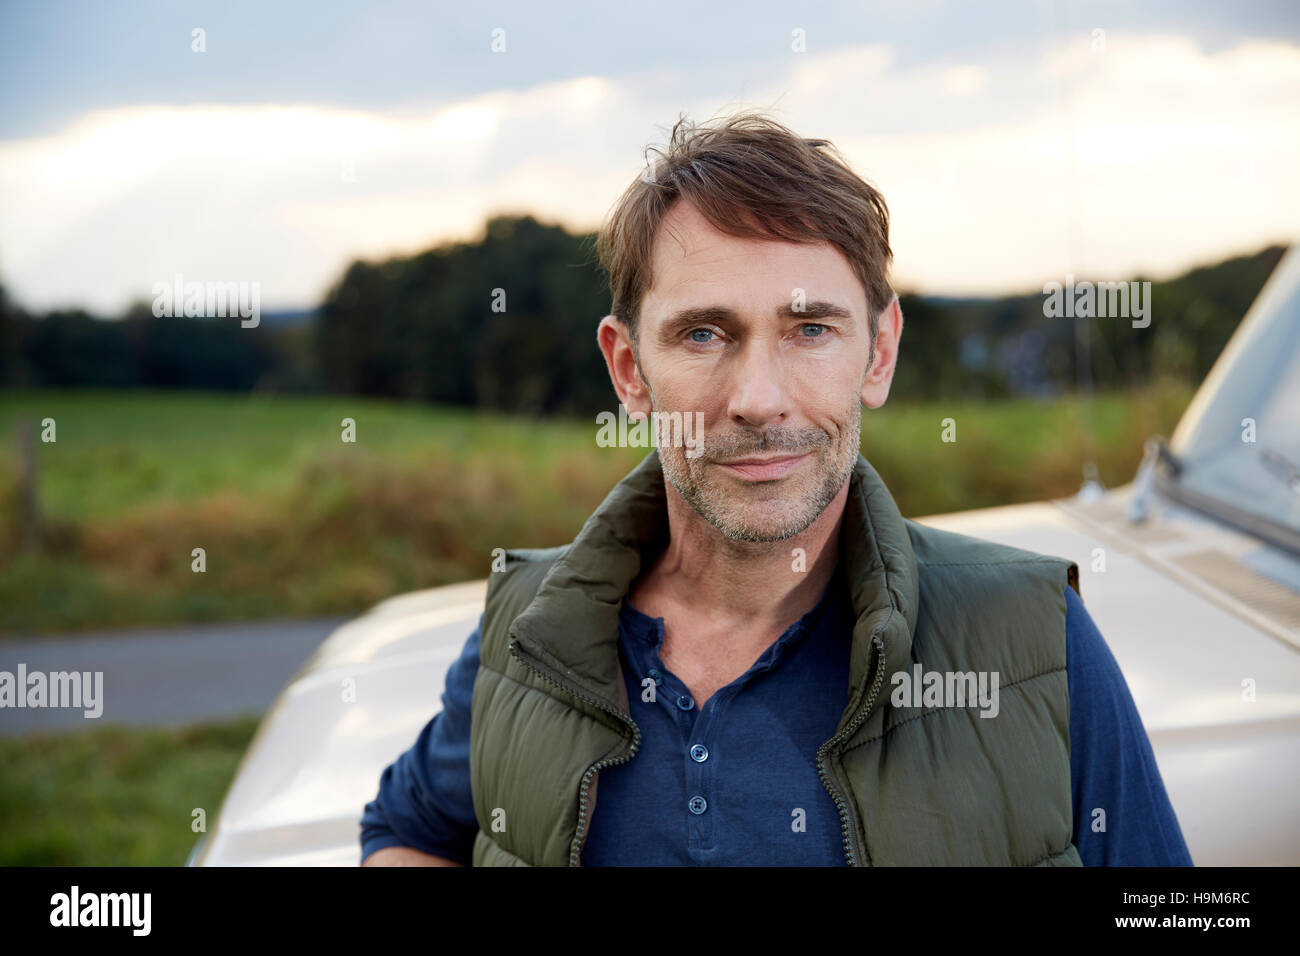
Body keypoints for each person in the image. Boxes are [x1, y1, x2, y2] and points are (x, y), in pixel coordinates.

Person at [360, 110, 1193, 866]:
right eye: (703, 333)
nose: (758, 400)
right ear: (629, 369)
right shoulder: (526, 635)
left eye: (810, 329)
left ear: (878, 353)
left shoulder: (1035, 644)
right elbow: (406, 831)